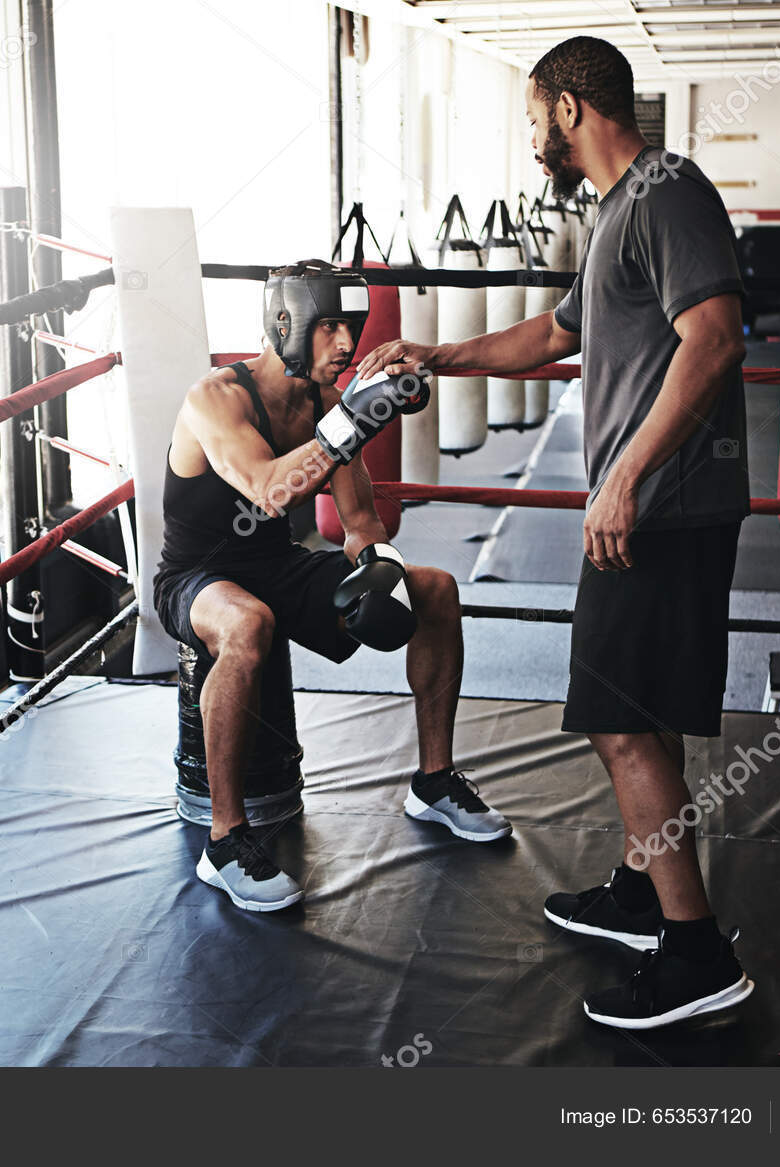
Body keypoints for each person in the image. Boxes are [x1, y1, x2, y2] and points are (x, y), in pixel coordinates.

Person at [358, 37, 754, 1028]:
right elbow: (552, 335)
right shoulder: (619, 208)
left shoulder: (665, 192)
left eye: (533, 114)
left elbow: (713, 337)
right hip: (647, 505)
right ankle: (637, 893)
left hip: (660, 508)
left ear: (570, 107)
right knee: (641, 705)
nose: (531, 133)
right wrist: (437, 354)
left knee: (618, 721)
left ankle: (696, 953)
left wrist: (622, 475)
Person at [154, 259, 512, 913]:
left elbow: (359, 522)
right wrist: (357, 416)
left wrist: (380, 568)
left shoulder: (323, 404)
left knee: (433, 589)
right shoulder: (216, 399)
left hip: (277, 565)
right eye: (330, 328)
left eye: (352, 326)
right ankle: (227, 840)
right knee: (247, 622)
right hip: (198, 575)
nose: (348, 344)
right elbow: (269, 489)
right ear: (286, 325)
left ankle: (434, 779)